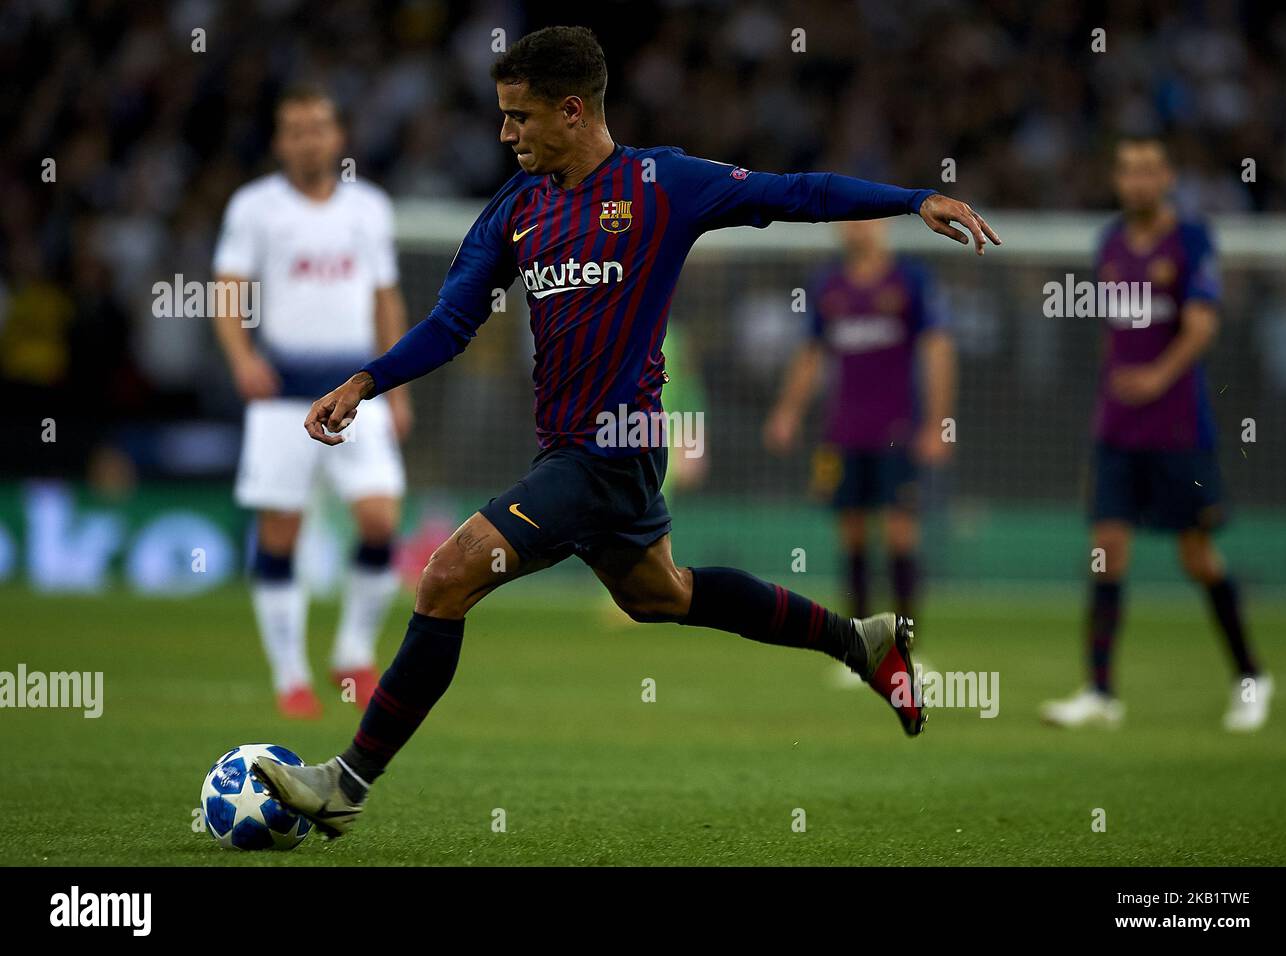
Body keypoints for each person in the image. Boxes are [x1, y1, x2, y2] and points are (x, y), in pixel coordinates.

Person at [252, 26, 1000, 837]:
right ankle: (860, 640)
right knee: (662, 594)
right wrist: (366, 382)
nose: (506, 135)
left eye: (520, 117)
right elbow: (451, 323)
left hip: (611, 448)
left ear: (572, 111)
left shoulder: (662, 183)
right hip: (572, 449)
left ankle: (346, 783)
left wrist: (911, 198)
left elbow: (799, 192)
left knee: (445, 577)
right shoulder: (515, 208)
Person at [1040, 137, 1270, 732]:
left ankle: (1250, 675)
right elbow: (1112, 333)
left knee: (1197, 555)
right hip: (1117, 429)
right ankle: (1100, 691)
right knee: (1107, 550)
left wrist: (1155, 377)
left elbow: (1202, 325)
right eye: (1128, 171)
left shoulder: (1191, 240)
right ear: (1118, 180)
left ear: (1166, 176)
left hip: (1178, 429)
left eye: (1148, 170)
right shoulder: (1109, 243)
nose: (1138, 181)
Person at [213, 87, 413, 719]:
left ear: (338, 137)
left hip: (358, 389)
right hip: (282, 395)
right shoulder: (255, 207)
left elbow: (386, 299)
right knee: (281, 532)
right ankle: (290, 674)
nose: (309, 139)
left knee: (380, 520)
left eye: (319, 127)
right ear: (280, 142)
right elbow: (228, 290)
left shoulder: (369, 208)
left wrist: (397, 383)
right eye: (295, 129)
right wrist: (243, 359)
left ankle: (353, 653)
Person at [765, 219, 954, 623]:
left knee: (899, 531)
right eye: (847, 220)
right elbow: (812, 353)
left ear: (883, 224)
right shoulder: (827, 283)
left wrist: (939, 423)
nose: (856, 228)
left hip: (898, 428)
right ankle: (861, 638)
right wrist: (788, 411)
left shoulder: (911, 279)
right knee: (850, 534)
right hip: (843, 431)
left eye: (864, 219)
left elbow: (937, 349)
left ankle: (905, 640)